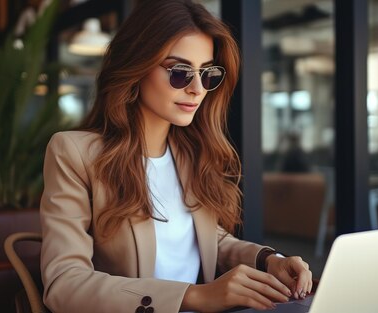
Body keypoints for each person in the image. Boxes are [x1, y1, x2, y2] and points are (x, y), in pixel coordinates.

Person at [40, 1, 313, 312]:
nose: (197, 89)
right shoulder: (75, 154)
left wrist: (269, 260)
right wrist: (194, 295)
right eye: (181, 72)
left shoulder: (192, 152)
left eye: (207, 74)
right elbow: (64, 283)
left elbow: (208, 242)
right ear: (137, 66)